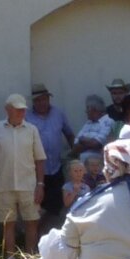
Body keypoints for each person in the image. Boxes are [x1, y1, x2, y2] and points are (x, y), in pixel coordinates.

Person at [0, 94, 46, 259]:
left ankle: (30, 258)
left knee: (32, 221)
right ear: (8, 109)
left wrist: (40, 184)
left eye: (23, 109)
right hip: (4, 183)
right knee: (8, 223)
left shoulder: (32, 129)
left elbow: (40, 158)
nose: (21, 112)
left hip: (28, 183)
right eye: (17, 109)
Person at [26, 84, 74, 234]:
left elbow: (69, 133)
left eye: (44, 99)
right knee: (36, 206)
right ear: (33, 102)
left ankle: (41, 233)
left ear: (49, 98)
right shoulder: (27, 117)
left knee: (56, 205)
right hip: (35, 170)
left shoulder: (58, 113)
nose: (42, 103)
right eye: (38, 100)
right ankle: (33, 237)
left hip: (56, 168)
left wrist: (74, 153)